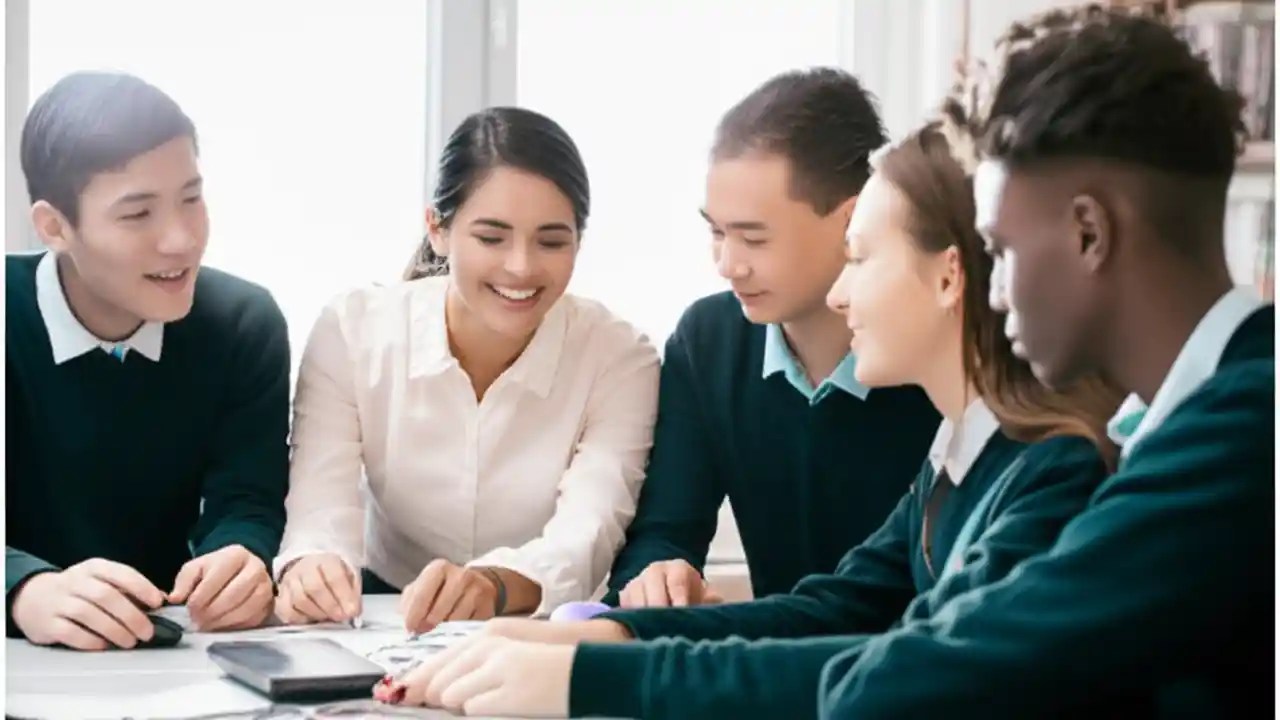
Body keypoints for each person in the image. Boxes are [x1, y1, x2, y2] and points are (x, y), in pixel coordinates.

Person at [378, 124, 1126, 718]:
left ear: (948, 276)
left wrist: (592, 676)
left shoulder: (1052, 471)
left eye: (859, 258)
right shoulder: (959, 453)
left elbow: (913, 669)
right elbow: (835, 608)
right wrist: (606, 633)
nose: (839, 296)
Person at [815, 8, 1273, 717]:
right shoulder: (1185, 421)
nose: (992, 294)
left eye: (998, 251)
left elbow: (906, 682)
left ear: (1089, 232)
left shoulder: (1246, 425)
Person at [273, 107, 660, 631]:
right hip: (378, 615)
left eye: (551, 241)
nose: (521, 266)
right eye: (491, 237)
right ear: (437, 229)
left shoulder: (620, 357)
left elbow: (587, 534)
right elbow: (320, 512)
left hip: (537, 620)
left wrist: (491, 585)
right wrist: (311, 569)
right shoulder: (353, 331)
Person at [604, 67, 940, 610]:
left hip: (908, 670)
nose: (727, 265)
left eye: (754, 238)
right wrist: (659, 575)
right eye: (716, 231)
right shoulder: (707, 342)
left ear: (852, 219)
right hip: (782, 659)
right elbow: (664, 532)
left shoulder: (934, 352)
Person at [6, 72, 290, 650]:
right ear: (54, 227)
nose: (181, 240)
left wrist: (241, 555)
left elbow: (249, 499)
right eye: (138, 215)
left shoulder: (244, 322)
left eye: (192, 198)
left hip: (176, 652)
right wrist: (20, 587)